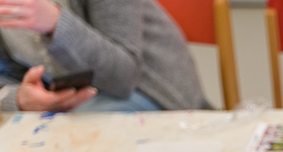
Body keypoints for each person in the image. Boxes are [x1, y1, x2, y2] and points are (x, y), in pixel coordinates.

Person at [0, 0, 208, 114]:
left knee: (63, 143)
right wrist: (17, 99)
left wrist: (57, 23)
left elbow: (122, 77)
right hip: (66, 100)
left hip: (151, 90)